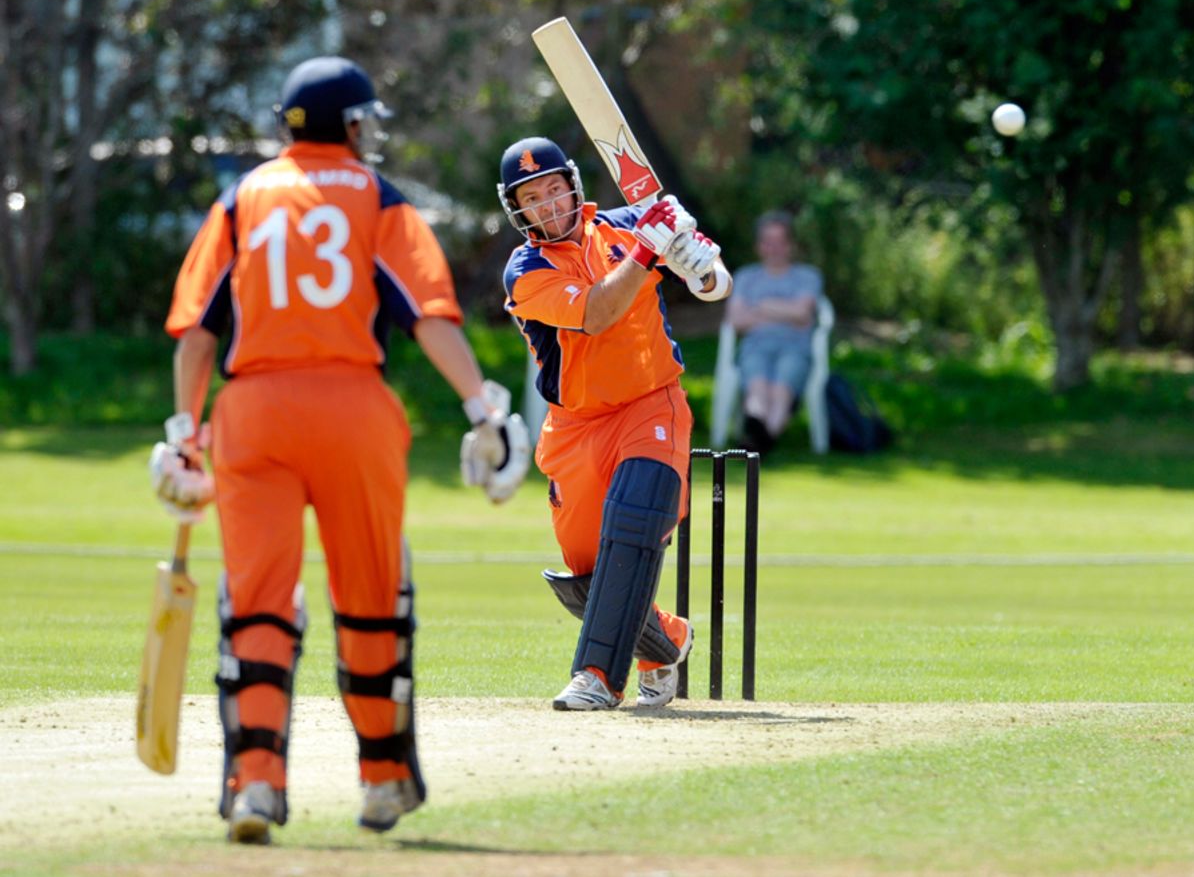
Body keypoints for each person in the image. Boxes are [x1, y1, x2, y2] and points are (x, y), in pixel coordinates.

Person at [148, 56, 530, 845]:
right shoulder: (378, 196)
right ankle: (383, 778)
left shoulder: (241, 198)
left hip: (251, 413)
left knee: (256, 601)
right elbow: (429, 314)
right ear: (351, 124)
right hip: (353, 410)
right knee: (371, 598)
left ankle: (255, 784)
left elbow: (196, 333)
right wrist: (482, 406)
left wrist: (185, 434)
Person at [497, 136, 732, 711]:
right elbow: (597, 313)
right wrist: (649, 249)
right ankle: (666, 641)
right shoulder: (526, 270)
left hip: (651, 402)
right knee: (588, 579)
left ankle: (596, 677)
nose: (548, 205)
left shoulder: (629, 225)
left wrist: (699, 264)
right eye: (532, 198)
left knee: (635, 516)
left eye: (554, 189)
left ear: (573, 186)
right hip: (575, 428)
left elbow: (716, 286)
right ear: (517, 210)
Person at [727, 210, 823, 454]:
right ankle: (763, 438)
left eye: (780, 241)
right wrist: (785, 311)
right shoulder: (746, 277)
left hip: (795, 348)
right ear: (759, 246)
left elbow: (802, 313)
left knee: (781, 389)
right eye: (768, 242)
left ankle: (758, 441)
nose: (774, 248)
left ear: (791, 245)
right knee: (757, 386)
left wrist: (761, 306)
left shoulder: (808, 276)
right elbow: (736, 320)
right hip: (755, 348)